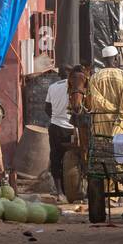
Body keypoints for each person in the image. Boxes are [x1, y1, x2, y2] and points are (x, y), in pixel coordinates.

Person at [87, 45, 123, 136]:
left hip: (101, 123)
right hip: (120, 123)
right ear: (115, 59)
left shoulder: (94, 78)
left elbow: (96, 100)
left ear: (103, 61)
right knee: (118, 148)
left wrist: (111, 108)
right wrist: (119, 111)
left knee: (102, 148)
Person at [45, 66, 75, 199]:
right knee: (75, 158)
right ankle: (74, 189)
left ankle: (59, 191)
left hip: (56, 127)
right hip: (73, 128)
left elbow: (47, 108)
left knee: (56, 157)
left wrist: (55, 117)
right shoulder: (76, 87)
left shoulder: (52, 86)